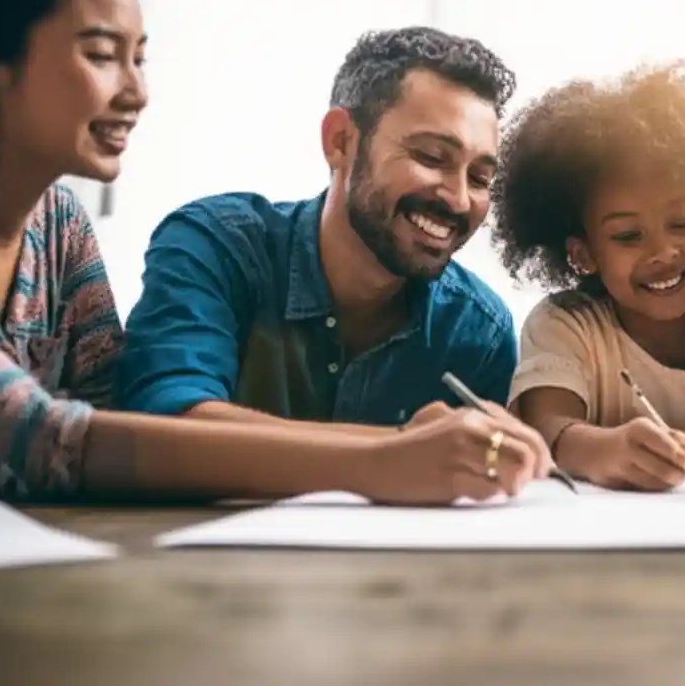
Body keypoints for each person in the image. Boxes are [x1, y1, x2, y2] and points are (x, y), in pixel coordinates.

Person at [0, 0, 550, 504]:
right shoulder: (215, 242)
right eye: (101, 55)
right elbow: (52, 436)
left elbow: (107, 415)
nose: (138, 93)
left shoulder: (61, 227)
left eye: (140, 58)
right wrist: (386, 458)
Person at [118, 26, 522, 432]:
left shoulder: (479, 333)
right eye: (432, 157)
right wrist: (395, 454)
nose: (458, 200)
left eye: (480, 179)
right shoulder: (217, 248)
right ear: (340, 141)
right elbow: (164, 427)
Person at [493, 63, 685, 491]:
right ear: (582, 254)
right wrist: (602, 449)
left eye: (681, 224)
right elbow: (546, 428)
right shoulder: (566, 327)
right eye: (629, 236)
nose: (663, 252)